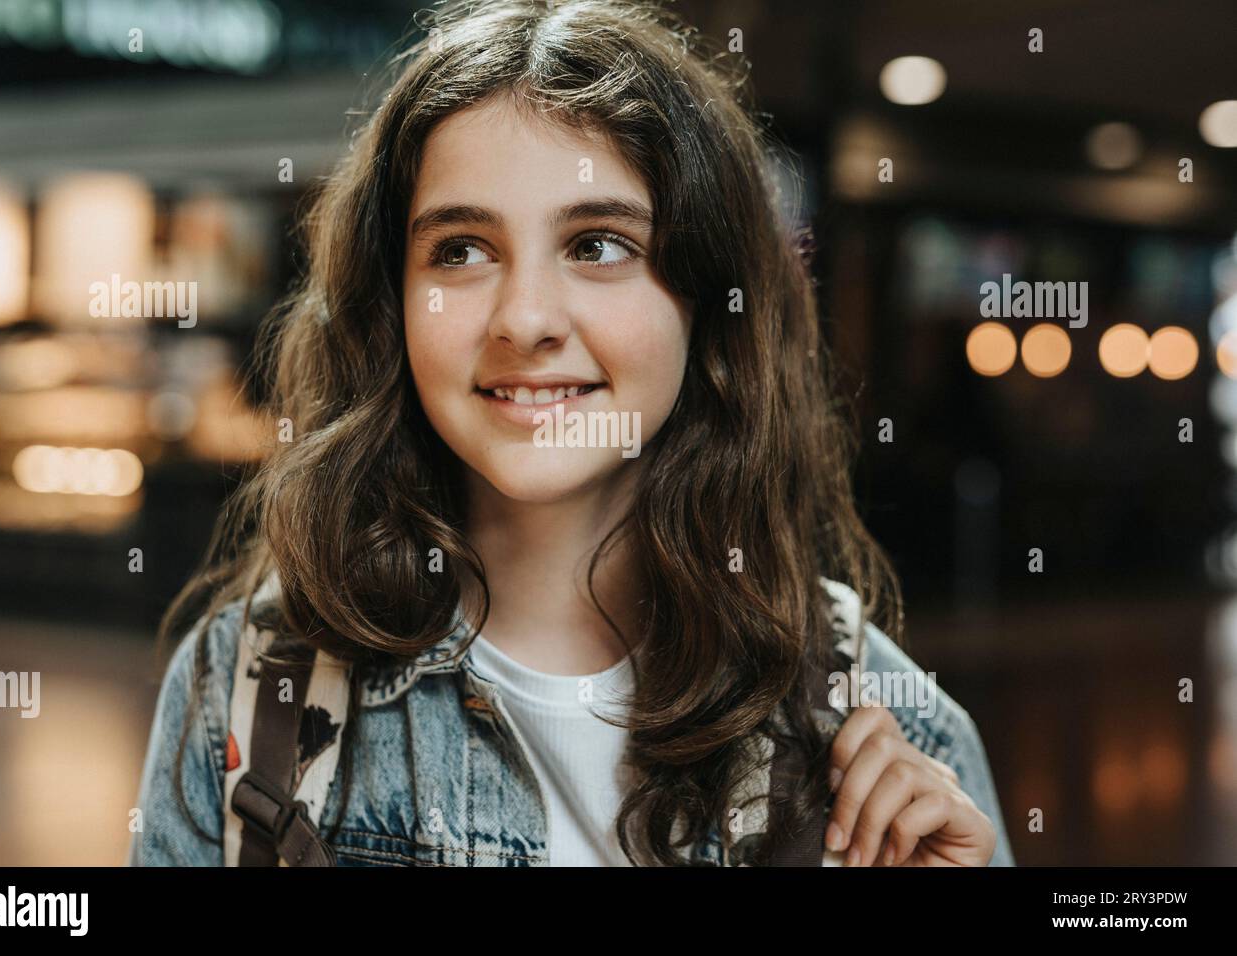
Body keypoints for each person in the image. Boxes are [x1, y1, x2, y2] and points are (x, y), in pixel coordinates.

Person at [128, 0, 1012, 867]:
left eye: (597, 245)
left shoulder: (886, 732)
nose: (526, 319)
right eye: (461, 250)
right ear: (390, 305)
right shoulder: (243, 695)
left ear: (707, 304)